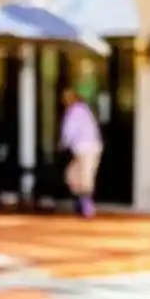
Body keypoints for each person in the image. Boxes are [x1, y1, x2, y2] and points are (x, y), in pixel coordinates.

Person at [59, 87, 103, 217]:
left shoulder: (74, 111)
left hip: (85, 148)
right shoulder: (85, 110)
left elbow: (69, 130)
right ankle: (82, 202)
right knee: (74, 175)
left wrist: (64, 143)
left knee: (83, 176)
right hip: (88, 148)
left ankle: (86, 205)